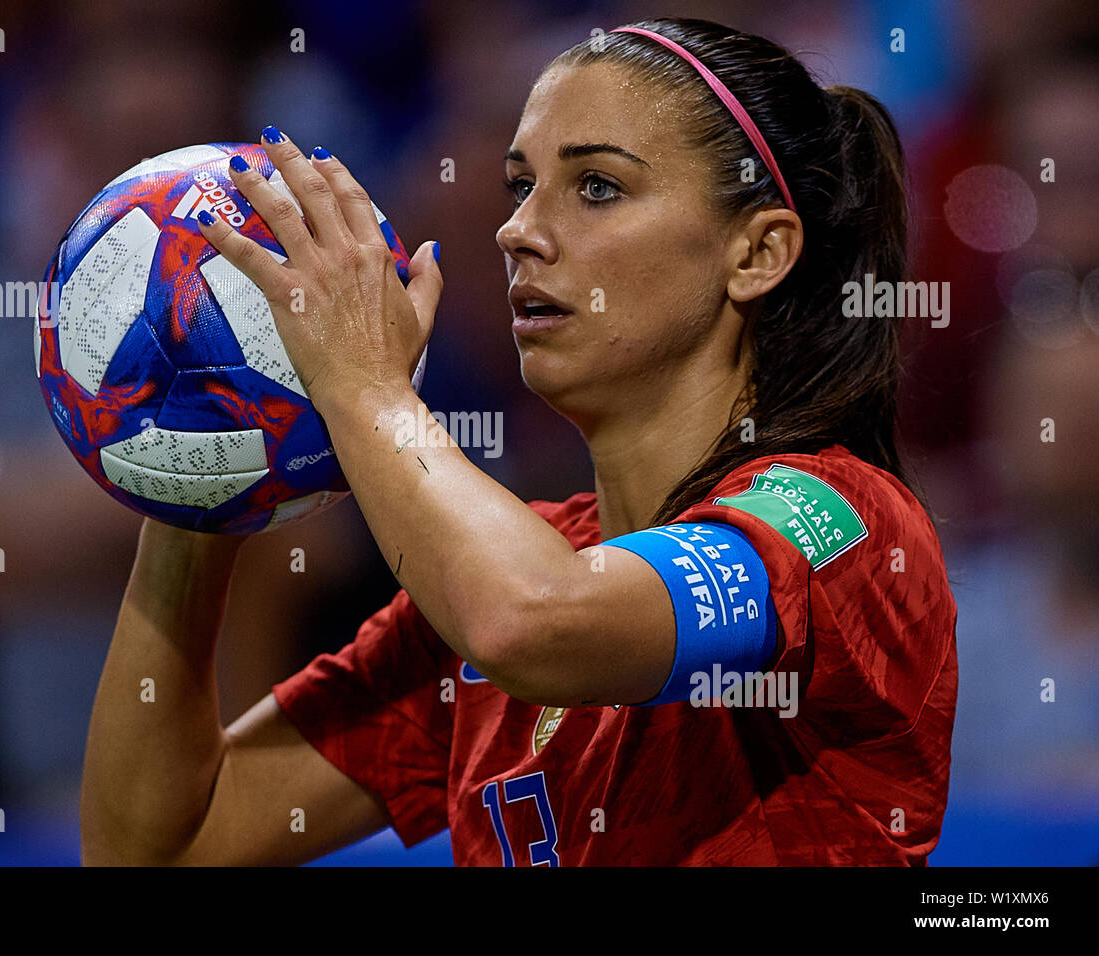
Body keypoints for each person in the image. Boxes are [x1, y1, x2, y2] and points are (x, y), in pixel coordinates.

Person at [81, 16, 957, 866]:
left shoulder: (844, 523)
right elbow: (155, 845)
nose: (516, 231)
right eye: (520, 186)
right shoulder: (491, 589)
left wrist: (363, 386)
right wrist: (202, 447)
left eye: (598, 187)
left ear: (757, 253)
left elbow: (532, 624)